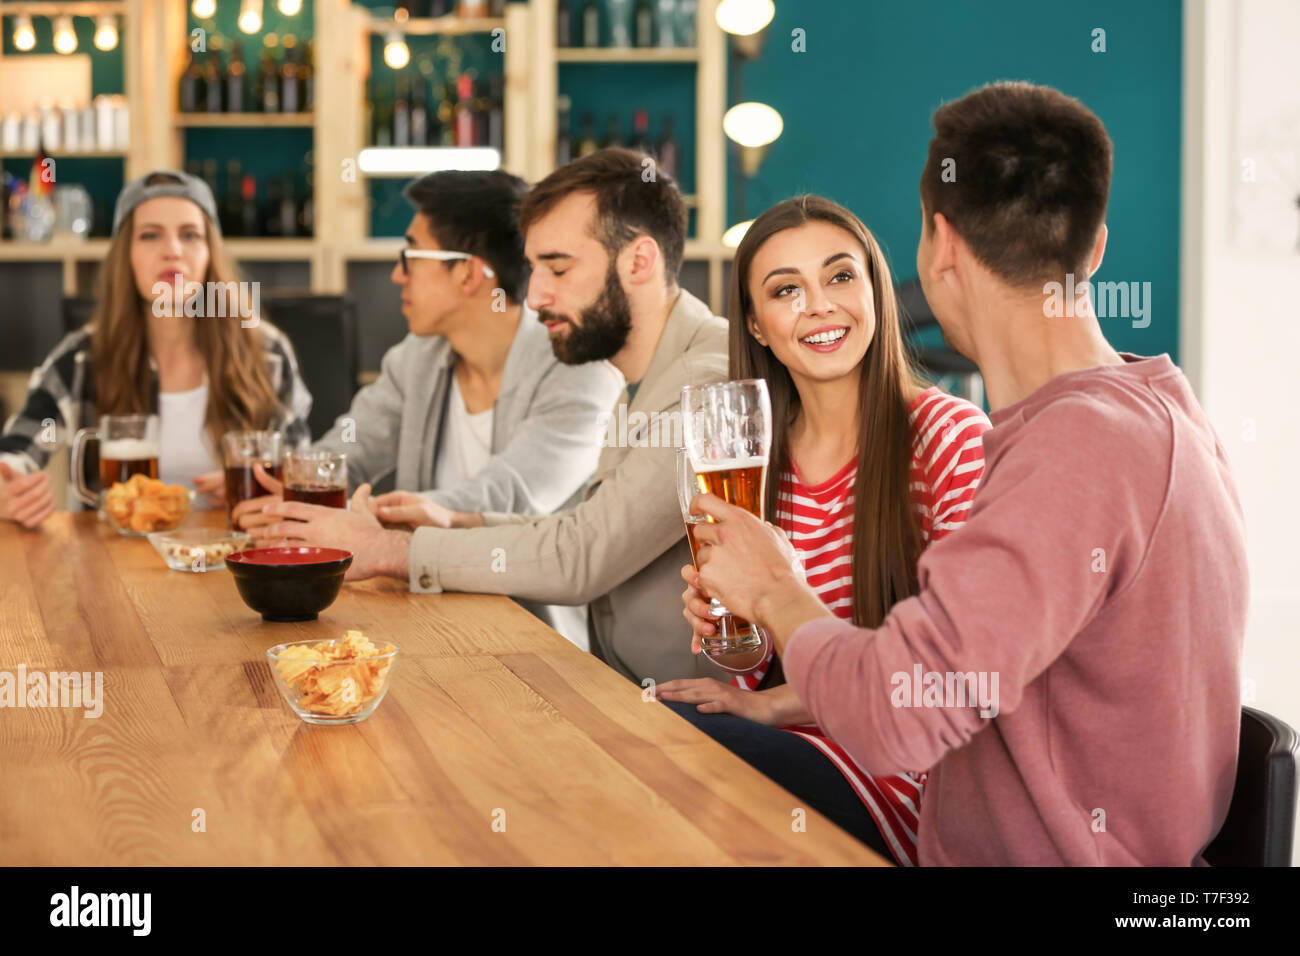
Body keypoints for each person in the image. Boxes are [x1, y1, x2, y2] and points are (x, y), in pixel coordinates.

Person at [681, 81, 1249, 866]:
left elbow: (896, 716)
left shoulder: (1078, 452)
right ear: (1096, 249)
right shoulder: (1151, 409)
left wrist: (775, 587)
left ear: (939, 247)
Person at [247, 148, 730, 683]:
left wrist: (391, 550)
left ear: (639, 262)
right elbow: (579, 528)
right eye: (534, 267)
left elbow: (582, 554)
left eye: (558, 267)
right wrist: (458, 521)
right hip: (617, 687)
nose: (536, 293)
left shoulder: (703, 381)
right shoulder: (635, 369)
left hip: (687, 717)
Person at [655, 195, 990, 865]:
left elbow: (953, 681)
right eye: (786, 290)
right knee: (646, 737)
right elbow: (755, 670)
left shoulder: (952, 441)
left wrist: (775, 705)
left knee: (682, 760)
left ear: (874, 291)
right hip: (797, 754)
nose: (818, 305)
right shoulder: (753, 466)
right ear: (755, 324)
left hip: (909, 782)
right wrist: (735, 634)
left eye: (840, 276)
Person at [236, 169, 624, 648]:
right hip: (423, 623)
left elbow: (508, 498)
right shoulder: (417, 357)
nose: (397, 274)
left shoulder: (577, 368)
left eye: (410, 256)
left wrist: (377, 530)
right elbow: (349, 448)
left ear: (467, 272)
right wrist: (284, 486)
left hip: (533, 645)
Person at [0, 170, 311, 527]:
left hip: (235, 566)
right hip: (111, 568)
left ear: (211, 254)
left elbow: (300, 479)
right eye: (150, 236)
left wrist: (269, 494)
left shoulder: (267, 353)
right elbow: (15, 455)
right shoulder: (82, 358)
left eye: (190, 235)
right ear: (125, 257)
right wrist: (9, 493)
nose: (173, 251)